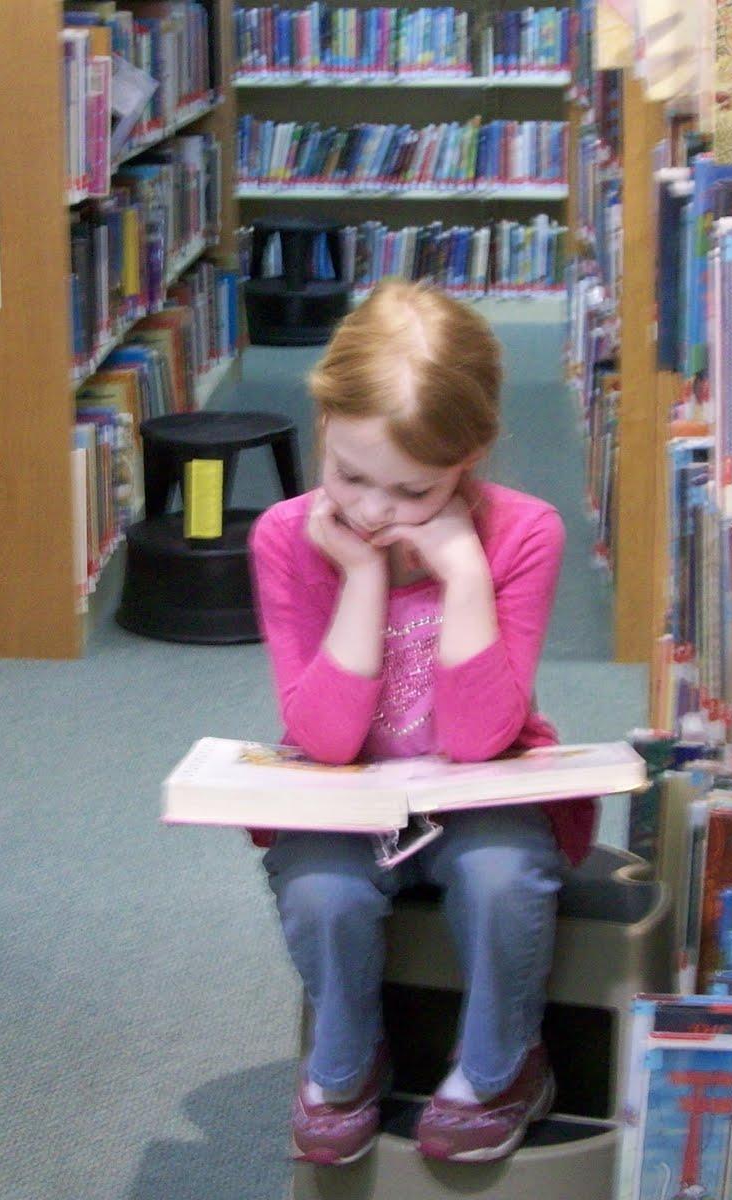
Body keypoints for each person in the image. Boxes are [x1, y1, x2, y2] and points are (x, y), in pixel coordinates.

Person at [248, 279, 596, 1166]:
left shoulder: (525, 533)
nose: (369, 510)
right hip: (342, 797)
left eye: (411, 490)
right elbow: (324, 740)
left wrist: (466, 574)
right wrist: (363, 580)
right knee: (322, 891)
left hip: (482, 794)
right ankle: (346, 1059)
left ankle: (500, 1067)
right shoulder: (289, 539)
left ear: (468, 458)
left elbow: (482, 737)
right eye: (351, 474)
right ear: (322, 423)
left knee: (502, 873)